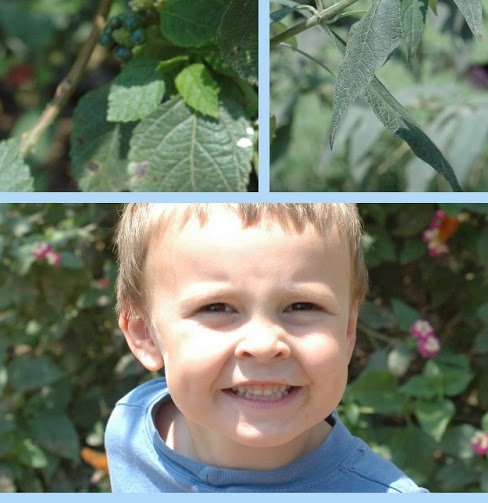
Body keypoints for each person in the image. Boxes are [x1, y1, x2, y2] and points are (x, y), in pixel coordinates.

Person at [106, 203, 424, 493]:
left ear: (348, 331)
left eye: (302, 305)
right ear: (145, 334)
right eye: (216, 308)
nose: (264, 344)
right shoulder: (128, 429)